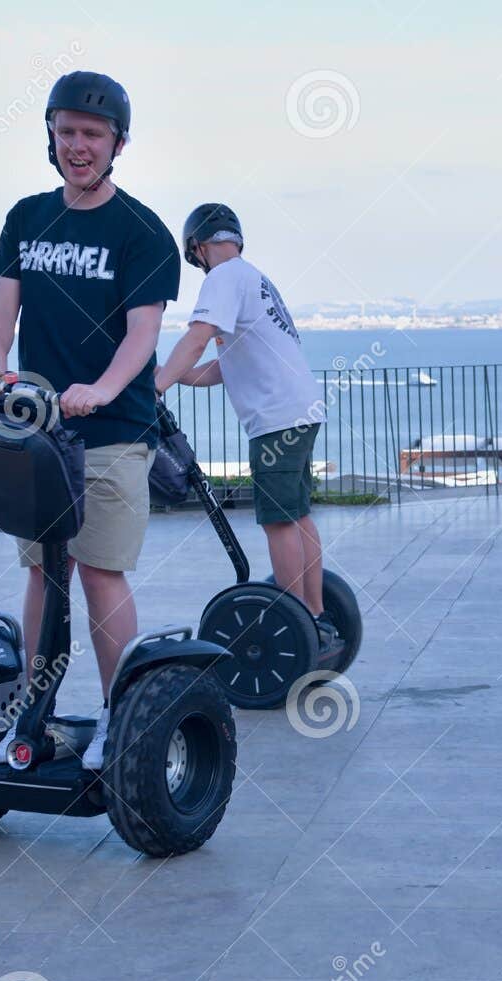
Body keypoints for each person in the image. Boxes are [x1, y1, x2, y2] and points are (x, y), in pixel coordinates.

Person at [0, 71, 181, 770]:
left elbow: (143, 335)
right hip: (40, 432)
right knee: (41, 573)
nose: (78, 146)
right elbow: (2, 308)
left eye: (92, 134)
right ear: (50, 138)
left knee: (98, 572)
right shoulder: (28, 216)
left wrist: (104, 387)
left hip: (114, 431)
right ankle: (34, 708)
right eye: (67, 133)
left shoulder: (142, 230)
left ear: (118, 142)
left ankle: (124, 717)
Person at [153, 203, 342, 661]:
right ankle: (315, 615)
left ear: (196, 247)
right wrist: (172, 376)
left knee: (278, 521)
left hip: (275, 418)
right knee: (297, 515)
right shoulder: (254, 278)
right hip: (301, 408)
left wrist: (155, 384)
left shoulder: (223, 278)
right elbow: (224, 362)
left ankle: (297, 620)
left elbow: (198, 337)